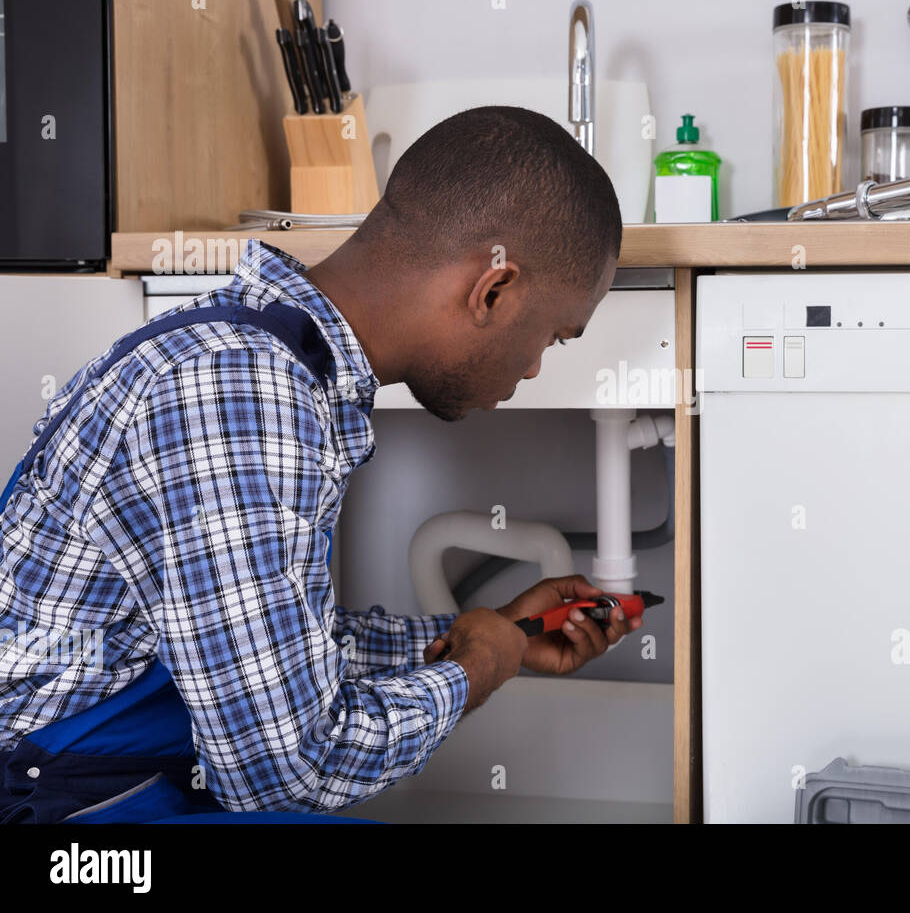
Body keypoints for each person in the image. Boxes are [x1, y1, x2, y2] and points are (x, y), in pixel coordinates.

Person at [0, 105, 632, 822]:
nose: (534, 367)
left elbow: (275, 654)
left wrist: (506, 634)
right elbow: (287, 777)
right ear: (492, 290)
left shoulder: (267, 365)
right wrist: (477, 667)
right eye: (553, 335)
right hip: (53, 811)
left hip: (108, 783)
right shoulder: (234, 396)